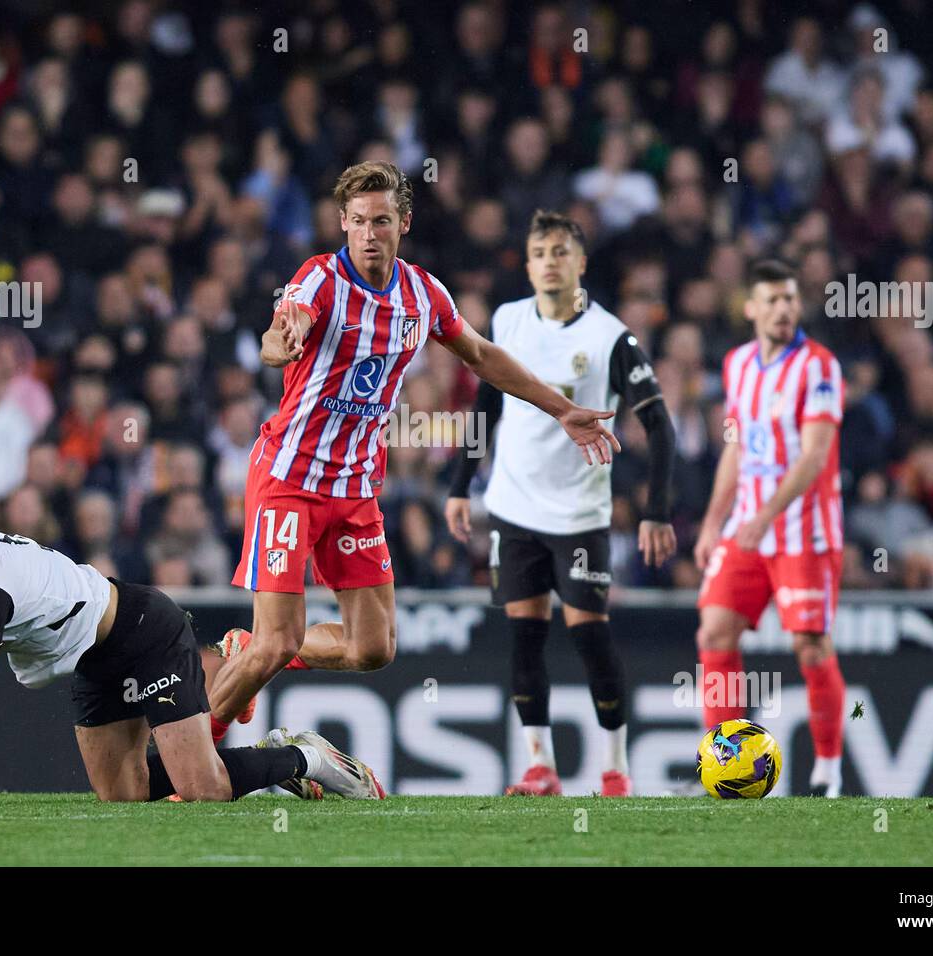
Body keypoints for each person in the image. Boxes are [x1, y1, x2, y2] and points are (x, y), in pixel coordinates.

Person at [205, 161, 621, 744]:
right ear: (342, 223)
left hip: (355, 488)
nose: (368, 234)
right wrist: (281, 342)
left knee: (372, 649)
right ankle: (190, 752)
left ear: (403, 222)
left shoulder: (422, 293)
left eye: (380, 221)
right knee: (280, 639)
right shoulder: (320, 280)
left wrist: (561, 409)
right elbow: (282, 328)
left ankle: (251, 650)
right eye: (357, 221)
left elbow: (481, 355)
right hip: (289, 479)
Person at [0, 487, 383, 807]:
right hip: (92, 661)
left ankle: (308, 758)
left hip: (141, 631)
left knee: (203, 789)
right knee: (123, 796)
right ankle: (265, 755)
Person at [444, 210, 677, 796]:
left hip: (579, 515)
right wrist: (460, 485)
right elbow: (485, 408)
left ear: (581, 263)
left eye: (560, 252)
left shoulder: (610, 337)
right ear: (527, 266)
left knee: (589, 636)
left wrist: (656, 511)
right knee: (524, 634)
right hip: (513, 508)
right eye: (540, 253)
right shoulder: (506, 320)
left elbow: (660, 425)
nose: (550, 262)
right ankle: (540, 766)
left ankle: (616, 769)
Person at [693, 260, 848, 797]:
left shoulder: (819, 366)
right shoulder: (737, 364)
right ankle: (727, 767)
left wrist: (766, 516)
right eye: (773, 300)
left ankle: (828, 770)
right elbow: (735, 447)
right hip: (747, 528)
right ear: (751, 308)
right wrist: (713, 523)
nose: (784, 309)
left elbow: (815, 456)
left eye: (790, 299)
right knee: (714, 632)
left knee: (810, 645)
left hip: (804, 530)